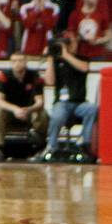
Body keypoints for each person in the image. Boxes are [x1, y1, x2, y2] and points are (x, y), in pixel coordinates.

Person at [33, 33, 97, 163]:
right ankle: (51, 146)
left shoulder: (81, 58)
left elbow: (84, 68)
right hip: (62, 103)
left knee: (92, 109)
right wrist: (50, 58)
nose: (70, 44)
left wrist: (66, 55)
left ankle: (85, 143)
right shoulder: (56, 61)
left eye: (72, 42)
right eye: (68, 42)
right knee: (57, 115)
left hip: (79, 103)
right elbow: (49, 81)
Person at [0, 53, 48, 161]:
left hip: (29, 111)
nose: (17, 63)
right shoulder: (4, 75)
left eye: (20, 60)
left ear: (26, 62)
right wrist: (15, 109)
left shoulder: (34, 76)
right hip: (10, 112)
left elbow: (40, 101)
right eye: (14, 61)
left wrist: (29, 109)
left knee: (43, 114)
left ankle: (40, 147)